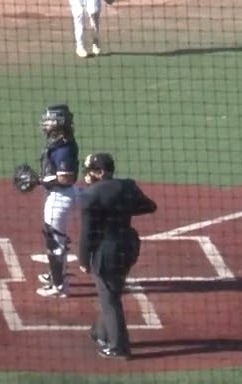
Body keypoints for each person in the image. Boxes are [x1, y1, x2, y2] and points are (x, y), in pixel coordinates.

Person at [77, 152, 157, 359]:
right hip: (128, 246)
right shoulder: (127, 186)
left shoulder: (90, 196)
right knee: (113, 292)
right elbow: (149, 206)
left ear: (100, 172)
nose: (87, 175)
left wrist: (84, 261)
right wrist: (121, 209)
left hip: (107, 253)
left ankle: (118, 347)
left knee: (110, 300)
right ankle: (100, 332)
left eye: (90, 171)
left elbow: (87, 234)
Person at [34, 104, 80, 298]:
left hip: (60, 197)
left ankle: (59, 287)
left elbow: (67, 178)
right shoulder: (58, 141)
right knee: (53, 238)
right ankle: (56, 274)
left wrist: (39, 181)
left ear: (58, 122)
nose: (45, 123)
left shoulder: (64, 148)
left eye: (49, 120)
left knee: (54, 241)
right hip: (56, 194)